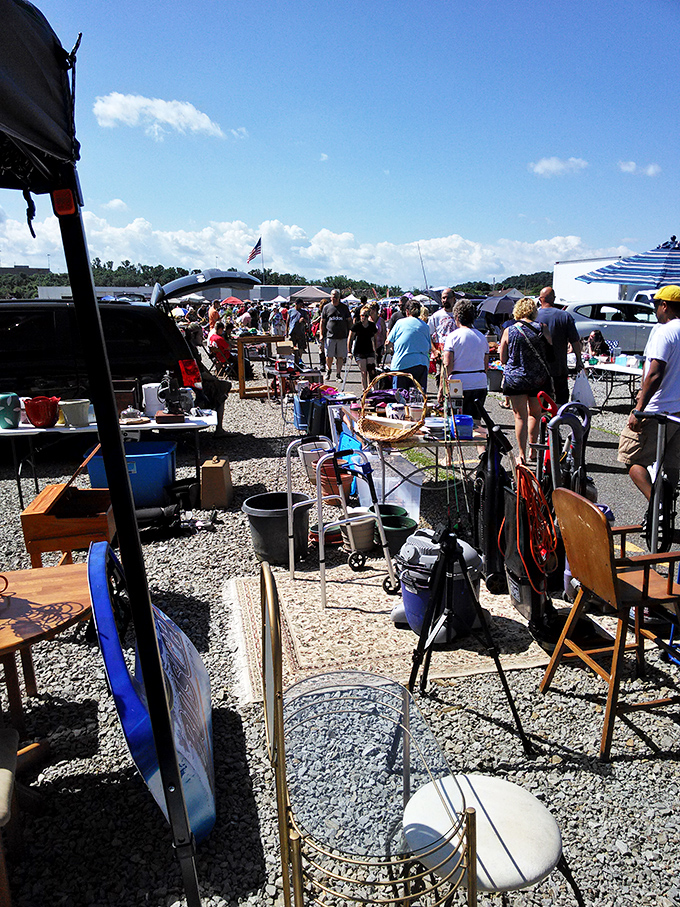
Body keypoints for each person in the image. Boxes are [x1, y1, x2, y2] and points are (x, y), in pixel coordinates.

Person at [617, 285, 680, 502]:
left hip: (658, 408)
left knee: (632, 458)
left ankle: (658, 505)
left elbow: (655, 374)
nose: (655, 310)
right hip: (678, 411)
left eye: (655, 305)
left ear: (665, 306)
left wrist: (639, 409)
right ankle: (666, 513)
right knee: (672, 463)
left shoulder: (665, 331)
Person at [498, 297, 553, 463]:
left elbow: (503, 358)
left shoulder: (509, 330)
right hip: (538, 378)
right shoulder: (542, 328)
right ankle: (533, 450)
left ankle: (521, 454)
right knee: (535, 414)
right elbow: (550, 353)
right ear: (533, 311)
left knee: (519, 416)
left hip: (516, 379)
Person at [535, 286, 583, 404]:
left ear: (540, 299)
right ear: (554, 299)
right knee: (561, 396)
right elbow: (575, 341)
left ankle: (542, 417)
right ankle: (561, 416)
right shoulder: (565, 316)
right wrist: (579, 359)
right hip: (559, 365)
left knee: (540, 398)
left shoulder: (533, 316)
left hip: (537, 366)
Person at [443, 298, 489, 416]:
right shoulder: (482, 337)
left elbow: (448, 364)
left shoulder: (452, 337)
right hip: (479, 382)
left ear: (457, 317)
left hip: (458, 383)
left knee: (456, 420)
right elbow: (485, 365)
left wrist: (441, 389)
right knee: (476, 420)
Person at [385, 299, 431, 392]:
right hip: (421, 364)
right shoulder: (425, 326)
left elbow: (388, 341)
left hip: (402, 363)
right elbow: (428, 347)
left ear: (407, 311)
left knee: (399, 397)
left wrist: (390, 349)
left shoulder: (400, 323)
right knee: (418, 398)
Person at [429, 288, 458, 402]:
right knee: (440, 377)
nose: (445, 300)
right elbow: (429, 335)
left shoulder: (458, 315)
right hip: (440, 354)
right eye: (443, 298)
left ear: (453, 299)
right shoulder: (436, 316)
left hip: (456, 353)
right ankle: (442, 399)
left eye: (448, 298)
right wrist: (434, 350)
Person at [320, 289, 352, 380]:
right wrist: (321, 334)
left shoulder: (344, 308)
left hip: (342, 336)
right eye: (333, 297)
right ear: (330, 297)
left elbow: (349, 320)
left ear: (339, 298)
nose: (335, 299)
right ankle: (328, 370)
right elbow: (322, 322)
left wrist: (351, 332)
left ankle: (338, 374)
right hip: (330, 336)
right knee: (329, 356)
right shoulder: (326, 307)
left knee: (340, 357)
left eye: (336, 297)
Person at [347, 305, 378, 389]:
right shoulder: (356, 326)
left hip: (369, 350)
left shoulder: (372, 326)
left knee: (371, 371)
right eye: (362, 315)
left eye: (366, 315)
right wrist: (349, 351)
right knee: (364, 372)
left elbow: (375, 339)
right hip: (359, 351)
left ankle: (374, 390)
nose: (363, 317)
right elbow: (350, 338)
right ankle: (365, 390)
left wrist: (376, 350)